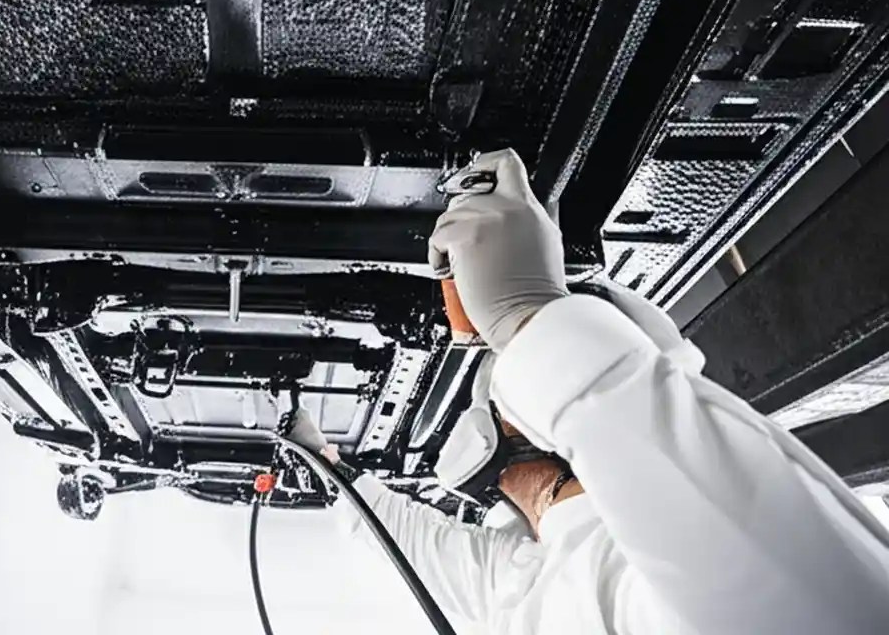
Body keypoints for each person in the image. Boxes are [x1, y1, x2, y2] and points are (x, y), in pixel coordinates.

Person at [284, 149, 889, 634]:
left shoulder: (523, 592)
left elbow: (411, 548)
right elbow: (817, 608)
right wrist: (532, 321)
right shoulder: (600, 570)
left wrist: (334, 472)